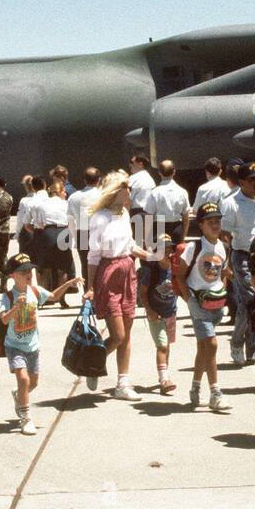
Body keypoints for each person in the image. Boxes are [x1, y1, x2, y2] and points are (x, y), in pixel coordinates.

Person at [0, 253, 83, 435]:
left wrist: (68, 284)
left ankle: (19, 396)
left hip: (33, 345)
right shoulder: (8, 296)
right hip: (14, 346)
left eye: (30, 270)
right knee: (23, 379)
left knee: (33, 383)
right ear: (12, 275)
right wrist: (15, 308)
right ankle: (26, 418)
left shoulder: (35, 291)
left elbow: (52, 296)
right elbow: (4, 320)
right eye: (22, 271)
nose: (28, 274)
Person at [85, 171, 152, 399]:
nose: (130, 192)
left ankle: (123, 383)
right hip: (109, 272)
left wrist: (150, 256)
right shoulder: (98, 218)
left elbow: (130, 245)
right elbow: (93, 256)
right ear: (117, 190)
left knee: (128, 332)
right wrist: (91, 286)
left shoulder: (124, 213)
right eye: (127, 187)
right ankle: (92, 362)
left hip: (128, 271)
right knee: (118, 335)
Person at [174, 202, 232, 411]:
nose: (215, 225)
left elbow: (223, 273)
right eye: (210, 222)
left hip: (216, 302)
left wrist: (223, 292)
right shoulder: (194, 247)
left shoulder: (223, 246)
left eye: (217, 221)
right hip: (197, 303)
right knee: (212, 345)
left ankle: (195, 387)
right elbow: (180, 275)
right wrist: (189, 300)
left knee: (203, 348)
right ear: (201, 225)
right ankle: (216, 393)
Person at [220, 161, 255, 366]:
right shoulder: (231, 203)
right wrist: (229, 263)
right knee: (251, 301)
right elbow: (224, 234)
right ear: (241, 182)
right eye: (252, 180)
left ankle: (252, 349)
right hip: (242, 256)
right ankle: (237, 343)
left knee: (251, 302)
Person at [139, 232, 178, 395]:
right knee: (161, 346)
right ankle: (164, 380)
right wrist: (149, 310)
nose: (168, 252)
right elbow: (142, 292)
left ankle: (165, 374)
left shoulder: (174, 267)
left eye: (170, 249)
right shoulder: (151, 269)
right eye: (164, 249)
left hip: (171, 312)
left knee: (167, 345)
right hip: (156, 314)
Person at [35, 179, 73, 307]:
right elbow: (71, 221)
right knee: (63, 268)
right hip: (63, 231)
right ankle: (62, 299)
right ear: (61, 191)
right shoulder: (67, 204)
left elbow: (39, 224)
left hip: (48, 232)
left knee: (45, 268)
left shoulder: (42, 204)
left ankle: (42, 299)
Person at [66, 167, 101, 282]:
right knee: (102, 264)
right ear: (99, 180)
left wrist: (76, 237)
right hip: (100, 232)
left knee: (85, 264)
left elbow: (70, 221)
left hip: (82, 233)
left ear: (84, 180)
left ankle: (87, 293)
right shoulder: (103, 195)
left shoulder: (74, 197)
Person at [144, 159, 189, 246]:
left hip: (159, 227)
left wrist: (147, 237)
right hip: (177, 228)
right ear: (174, 172)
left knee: (160, 257)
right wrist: (183, 237)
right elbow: (186, 219)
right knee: (176, 257)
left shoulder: (154, 193)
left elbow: (149, 217)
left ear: (159, 173)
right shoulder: (182, 192)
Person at [190, 157, 229, 226]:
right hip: (226, 223)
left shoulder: (202, 189)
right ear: (220, 171)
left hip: (209, 226)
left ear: (206, 172)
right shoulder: (228, 186)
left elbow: (196, 211)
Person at [127, 155, 155, 239]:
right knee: (147, 243)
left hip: (137, 213)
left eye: (132, 162)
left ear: (140, 164)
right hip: (149, 214)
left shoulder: (133, 178)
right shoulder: (151, 179)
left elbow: (128, 199)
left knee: (136, 244)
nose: (130, 165)